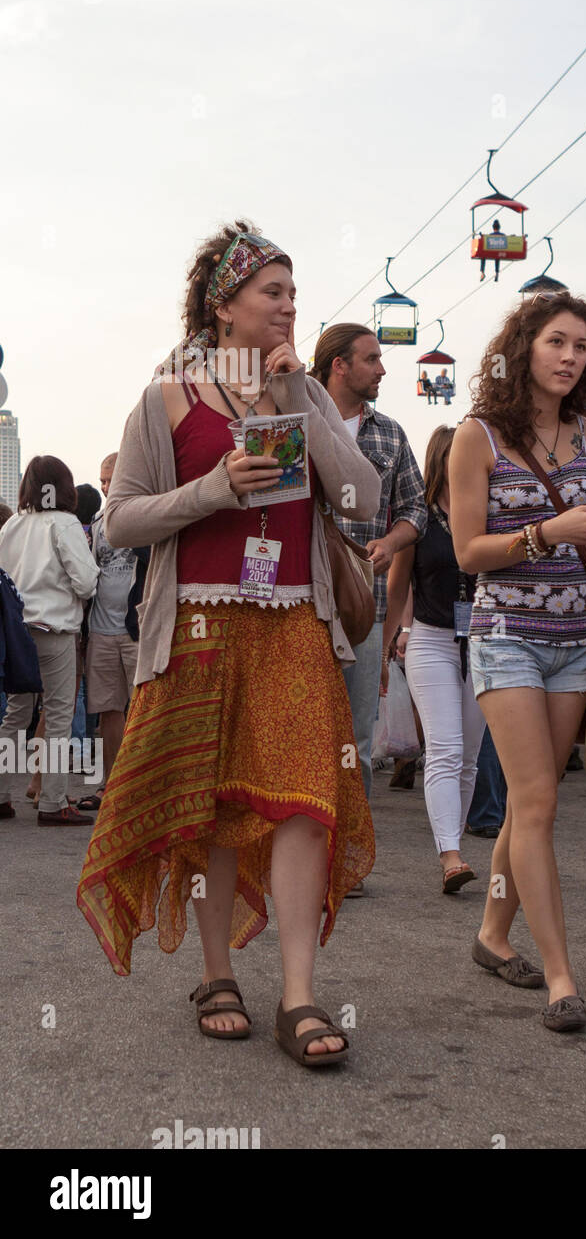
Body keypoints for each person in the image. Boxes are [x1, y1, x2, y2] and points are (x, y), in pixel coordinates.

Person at [75, 222, 379, 1066]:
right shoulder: (166, 394)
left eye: (292, 292)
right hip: (201, 623)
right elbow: (123, 518)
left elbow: (361, 497)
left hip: (291, 622)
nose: (289, 307)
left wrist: (302, 403)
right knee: (209, 808)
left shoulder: (304, 390)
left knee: (303, 805)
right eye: (272, 293)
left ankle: (300, 994)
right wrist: (211, 490)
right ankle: (217, 973)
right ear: (225, 303)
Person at [449, 291, 586, 1034]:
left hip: (576, 638)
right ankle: (560, 975)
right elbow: (467, 552)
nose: (569, 357)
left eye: (581, 347)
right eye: (556, 342)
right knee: (542, 803)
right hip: (506, 634)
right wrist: (546, 531)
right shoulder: (477, 438)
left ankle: (491, 935)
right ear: (524, 348)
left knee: (528, 802)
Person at [312, 324, 427, 818]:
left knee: (356, 738)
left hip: (365, 605)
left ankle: (345, 857)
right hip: (298, 600)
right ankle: (293, 855)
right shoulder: (294, 421)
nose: (383, 369)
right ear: (339, 365)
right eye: (372, 359)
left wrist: (391, 541)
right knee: (298, 732)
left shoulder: (391, 433)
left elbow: (416, 509)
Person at [385, 424, 487, 893]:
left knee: (468, 756)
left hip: (483, 639)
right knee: (444, 749)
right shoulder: (421, 521)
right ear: (444, 463)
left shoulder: (488, 511)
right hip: (430, 641)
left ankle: (454, 840)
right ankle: (450, 855)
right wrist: (393, 638)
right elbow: (398, 582)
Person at [0, 456, 99, 825]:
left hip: (16, 632)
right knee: (58, 717)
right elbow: (86, 582)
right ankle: (53, 803)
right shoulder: (66, 523)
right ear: (64, 487)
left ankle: (1, 796)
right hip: (53, 631)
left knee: (15, 714)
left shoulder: (12, 526)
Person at [82, 452, 149, 810]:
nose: (106, 486)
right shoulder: (95, 520)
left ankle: (139, 789)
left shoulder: (147, 513)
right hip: (102, 628)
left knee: (144, 710)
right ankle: (110, 786)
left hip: (137, 626)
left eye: (111, 479)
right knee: (108, 710)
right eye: (102, 480)